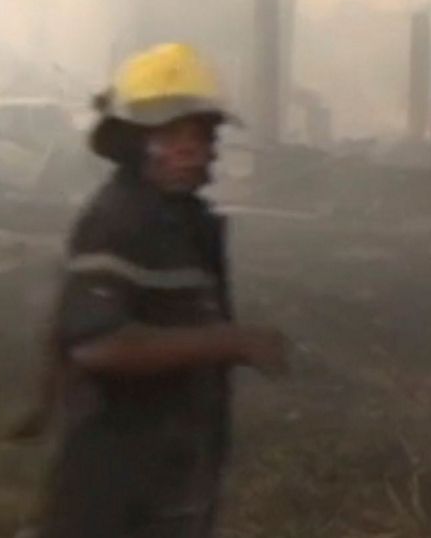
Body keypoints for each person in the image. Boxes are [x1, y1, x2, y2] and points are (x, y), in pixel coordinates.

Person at [26, 42, 288, 538]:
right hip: (115, 486)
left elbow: (62, 323)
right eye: (173, 133)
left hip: (173, 472)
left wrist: (41, 406)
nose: (195, 149)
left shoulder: (186, 223)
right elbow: (97, 344)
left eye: (202, 133)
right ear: (131, 141)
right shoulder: (117, 221)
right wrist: (232, 342)